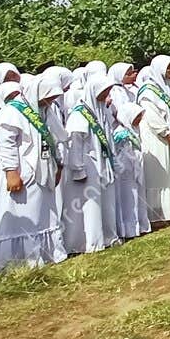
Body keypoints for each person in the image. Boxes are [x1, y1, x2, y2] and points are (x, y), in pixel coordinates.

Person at [0, 73, 69, 275]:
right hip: (21, 172)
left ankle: (44, 253)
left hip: (43, 171)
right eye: (48, 97)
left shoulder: (44, 111)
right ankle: (14, 260)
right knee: (21, 216)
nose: (51, 101)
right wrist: (11, 172)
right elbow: (7, 144)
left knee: (41, 214)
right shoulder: (13, 112)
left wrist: (58, 166)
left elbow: (56, 138)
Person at [63, 72, 119, 254]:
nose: (107, 94)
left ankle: (108, 236)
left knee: (106, 201)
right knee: (90, 205)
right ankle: (91, 242)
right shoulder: (79, 115)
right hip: (88, 166)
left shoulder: (100, 110)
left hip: (103, 164)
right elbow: (75, 143)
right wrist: (78, 168)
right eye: (105, 90)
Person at [138, 54, 170, 222]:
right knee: (159, 175)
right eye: (169, 67)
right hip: (157, 139)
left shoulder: (169, 88)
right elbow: (152, 117)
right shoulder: (148, 90)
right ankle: (158, 214)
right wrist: (168, 134)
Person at [110, 98, 152, 240]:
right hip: (125, 171)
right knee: (129, 198)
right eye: (137, 117)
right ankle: (129, 228)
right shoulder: (120, 133)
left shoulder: (133, 130)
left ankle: (140, 224)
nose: (139, 120)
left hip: (135, 168)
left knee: (138, 197)